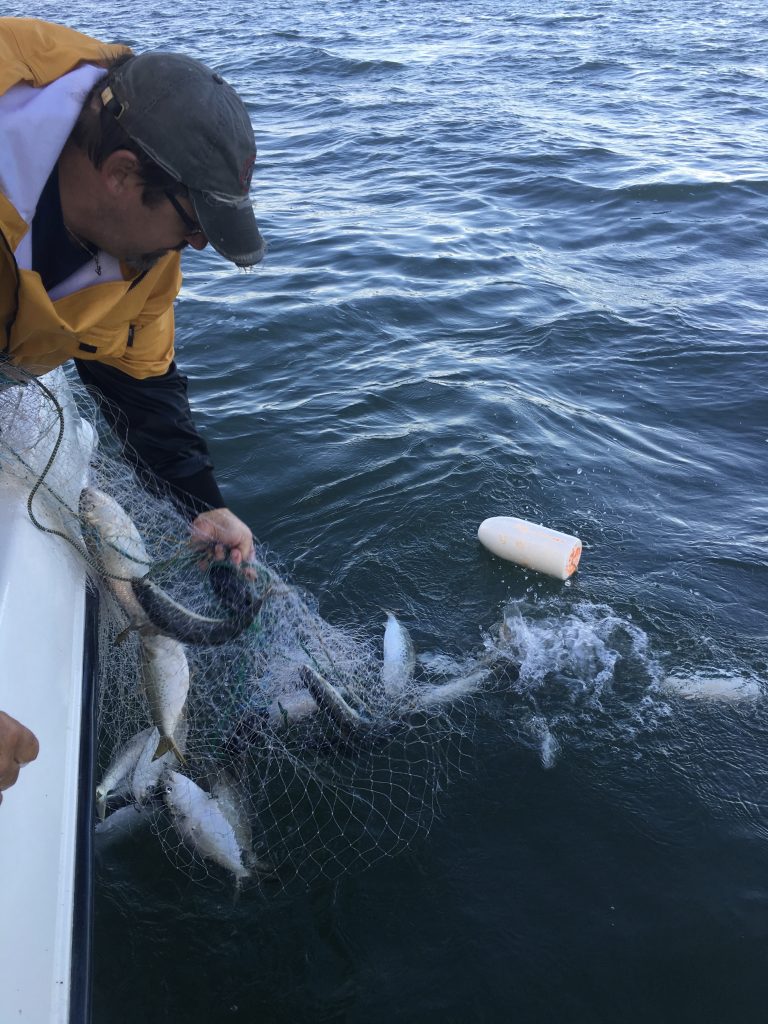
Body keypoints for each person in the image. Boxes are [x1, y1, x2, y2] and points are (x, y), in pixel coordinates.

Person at [0, 17, 267, 798]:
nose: (196, 248)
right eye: (191, 225)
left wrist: (201, 503)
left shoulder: (141, 258)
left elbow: (141, 380)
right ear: (121, 173)